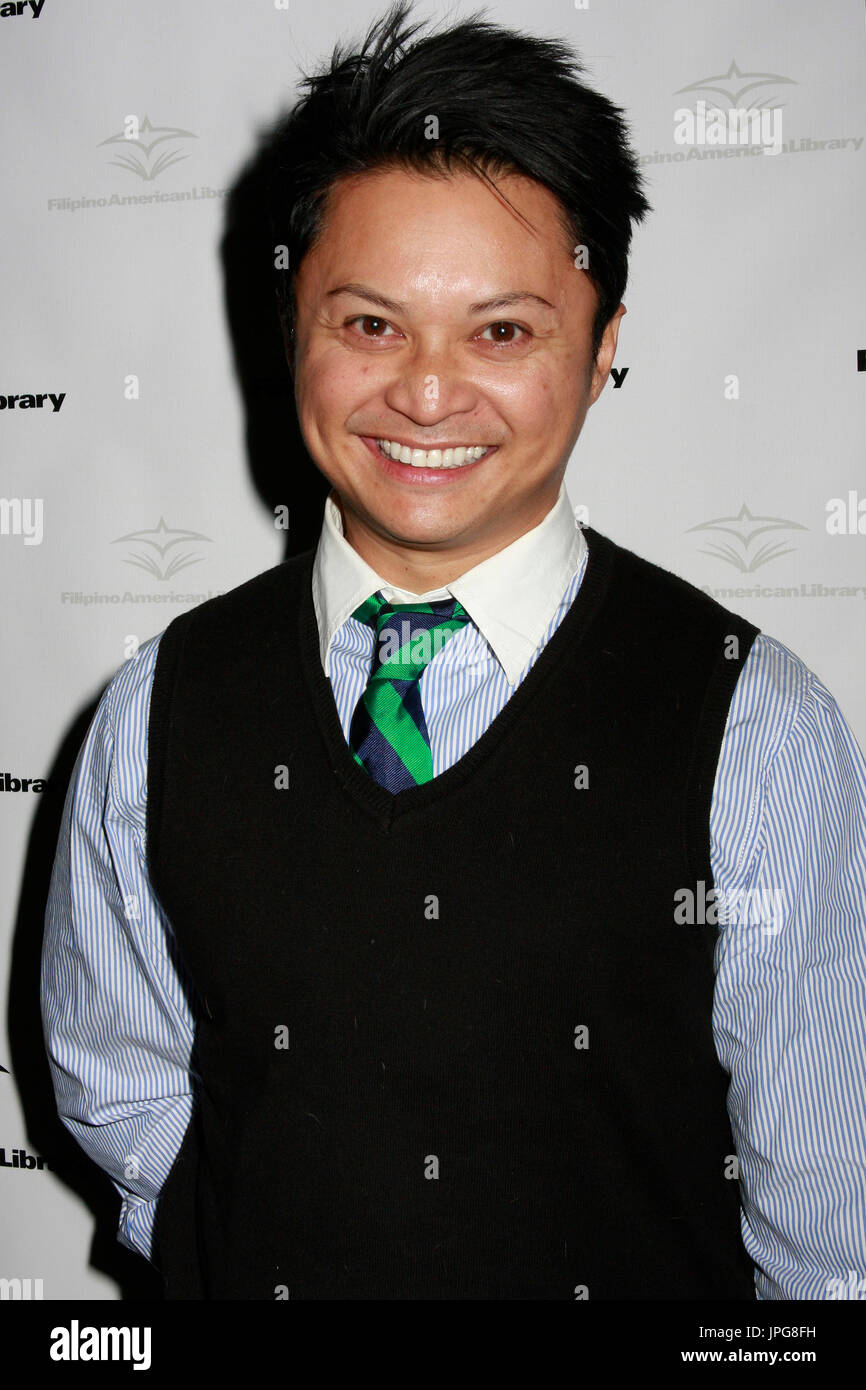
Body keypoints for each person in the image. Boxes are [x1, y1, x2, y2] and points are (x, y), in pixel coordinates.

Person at [41, 1, 866, 1301]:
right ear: (292, 333)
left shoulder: (752, 726)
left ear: (599, 351)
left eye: (501, 331)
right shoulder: (158, 707)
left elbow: (830, 1231)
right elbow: (124, 1084)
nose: (426, 393)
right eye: (369, 323)